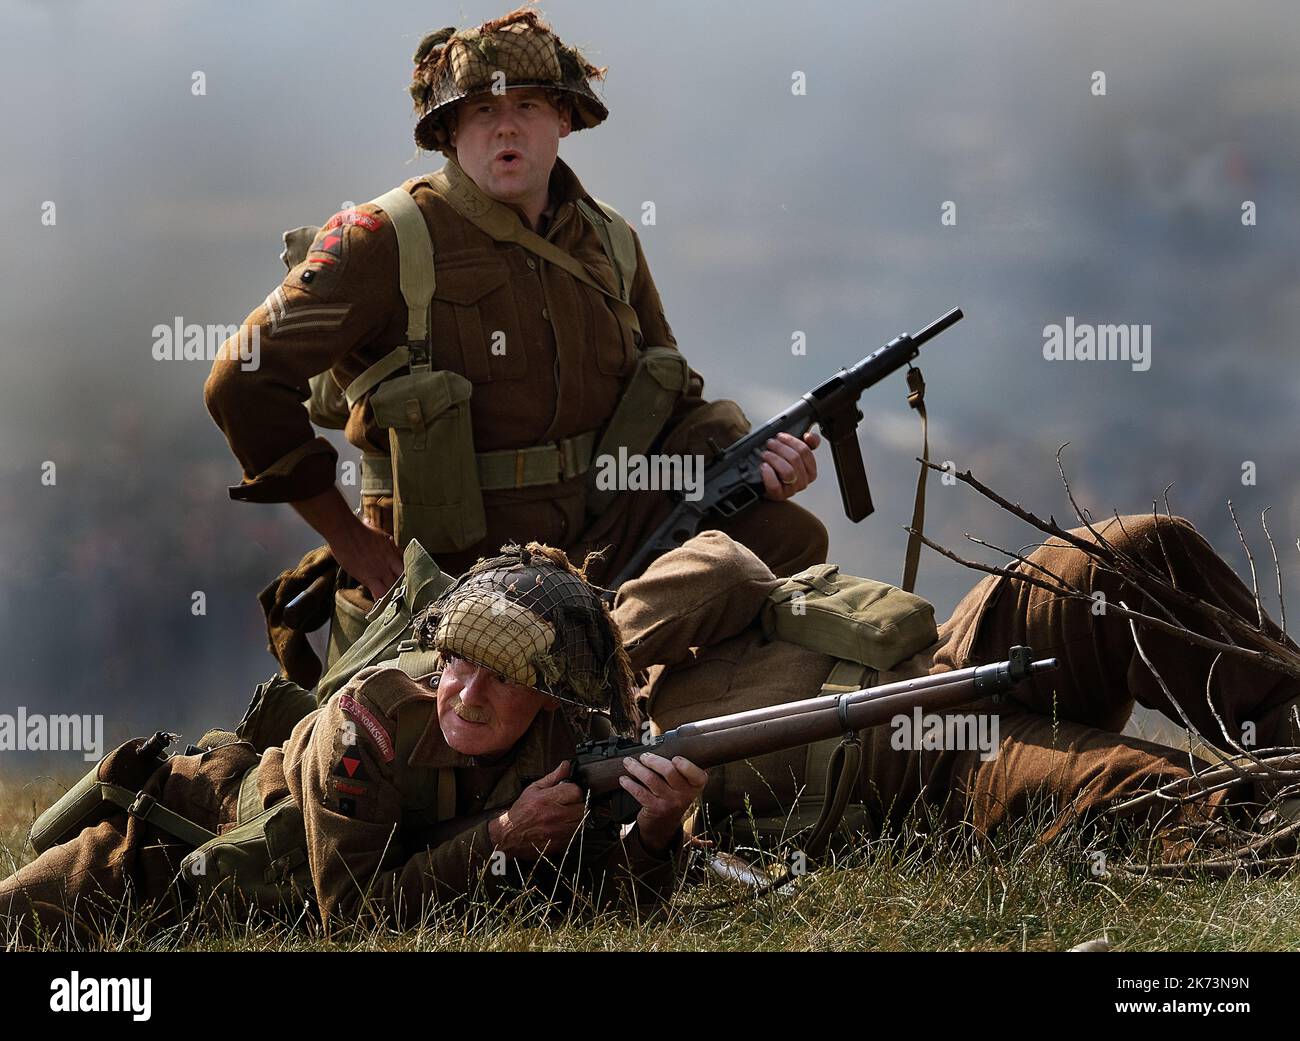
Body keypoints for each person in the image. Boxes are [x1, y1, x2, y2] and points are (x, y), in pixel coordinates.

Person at [202, 7, 828, 683]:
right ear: (448, 132)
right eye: (480, 110)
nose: (505, 125)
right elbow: (241, 379)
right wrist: (351, 543)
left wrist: (757, 460)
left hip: (597, 553)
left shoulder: (611, 241)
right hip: (452, 579)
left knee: (782, 538)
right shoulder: (384, 238)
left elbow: (673, 397)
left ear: (564, 118)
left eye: (527, 104)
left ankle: (688, 732)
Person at [0, 544, 706, 944]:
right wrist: (500, 835)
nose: (466, 693)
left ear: (552, 694)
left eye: (502, 678)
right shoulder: (366, 722)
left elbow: (604, 906)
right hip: (191, 842)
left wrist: (656, 829)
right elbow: (353, 918)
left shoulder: (574, 734)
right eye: (458, 661)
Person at [614, 514, 1300, 858]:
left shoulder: (639, 650)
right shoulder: (571, 815)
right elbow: (636, 896)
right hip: (939, 772)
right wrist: (654, 828)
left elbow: (726, 561)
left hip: (960, 646)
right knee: (1147, 790)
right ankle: (1277, 825)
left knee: (1138, 551)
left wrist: (607, 658)